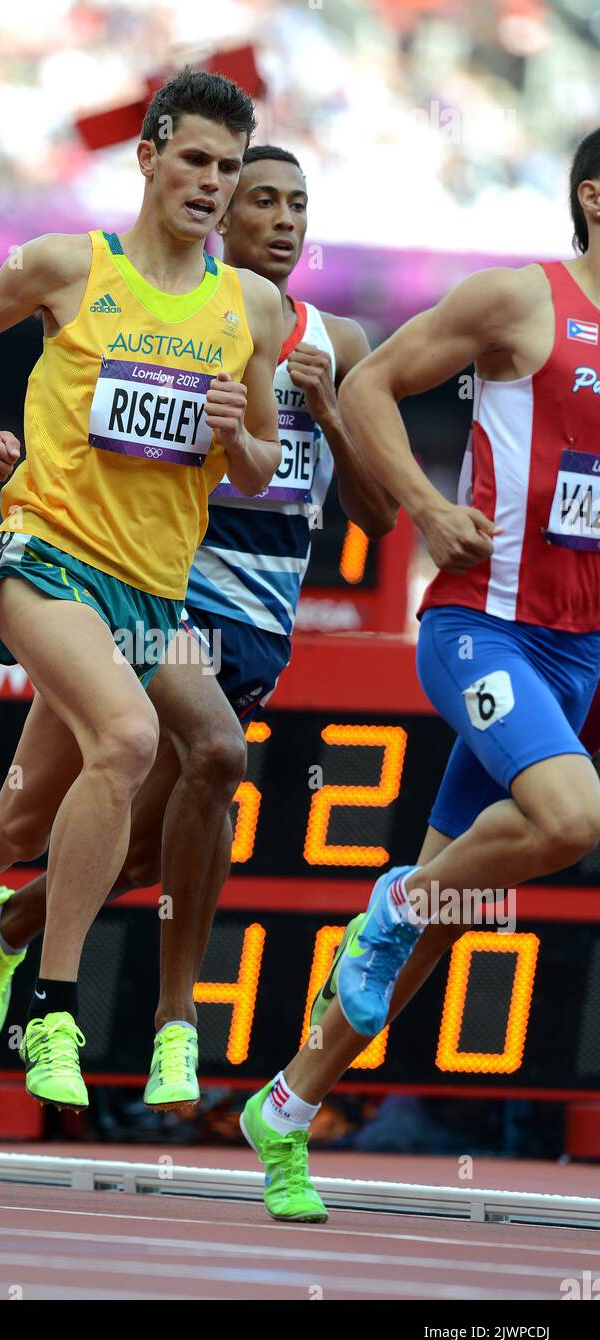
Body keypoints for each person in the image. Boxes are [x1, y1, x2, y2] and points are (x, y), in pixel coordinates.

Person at [0, 69, 285, 1113]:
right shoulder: (65, 267)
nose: (212, 184)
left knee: (16, 821)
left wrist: (236, 432)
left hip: (152, 595)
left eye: (230, 169)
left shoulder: (252, 309)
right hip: (42, 558)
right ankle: (55, 1003)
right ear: (147, 157)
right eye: (194, 160)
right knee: (133, 742)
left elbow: (263, 468)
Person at [0, 144, 396, 1113]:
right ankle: (175, 1021)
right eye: (260, 203)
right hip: (164, 594)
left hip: (261, 624)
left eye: (298, 205)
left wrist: (325, 413)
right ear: (218, 219)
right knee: (214, 754)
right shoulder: (185, 314)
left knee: (150, 842)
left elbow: (373, 519)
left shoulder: (341, 339)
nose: (283, 221)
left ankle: (12, 917)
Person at [239, 127, 600, 1221]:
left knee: (445, 922)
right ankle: (391, 899)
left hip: (580, 650)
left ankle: (287, 1109)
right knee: (572, 817)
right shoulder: (517, 300)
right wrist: (431, 509)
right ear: (593, 197)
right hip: (478, 629)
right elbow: (370, 389)